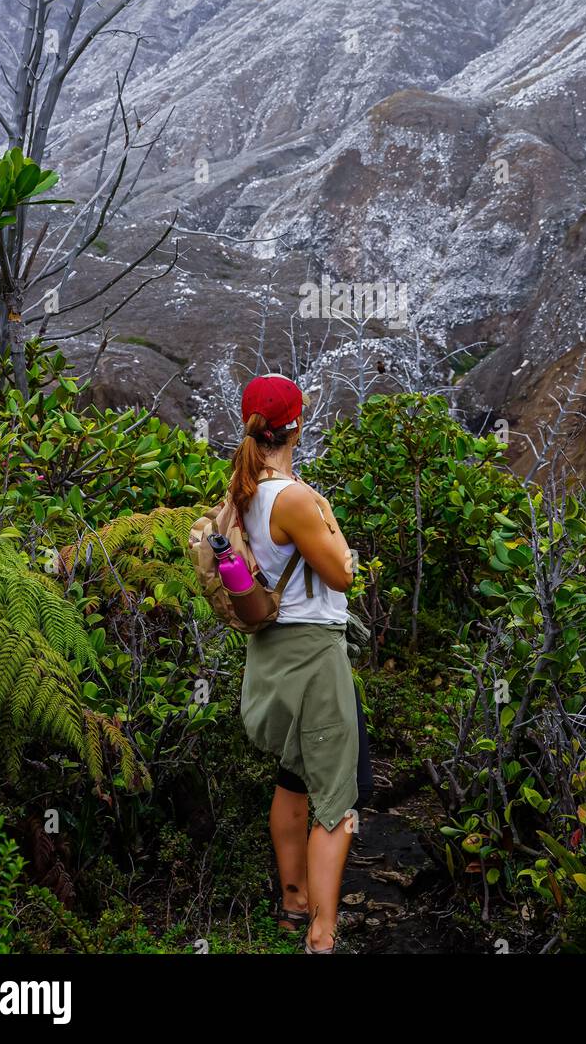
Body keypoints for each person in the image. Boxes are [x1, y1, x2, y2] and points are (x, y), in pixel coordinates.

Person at [231, 373, 374, 954]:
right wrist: (328, 517)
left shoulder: (241, 492)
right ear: (296, 425)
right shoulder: (292, 498)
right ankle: (322, 937)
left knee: (293, 781)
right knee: (338, 798)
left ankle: (293, 905)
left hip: (270, 654)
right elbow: (343, 573)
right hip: (314, 655)